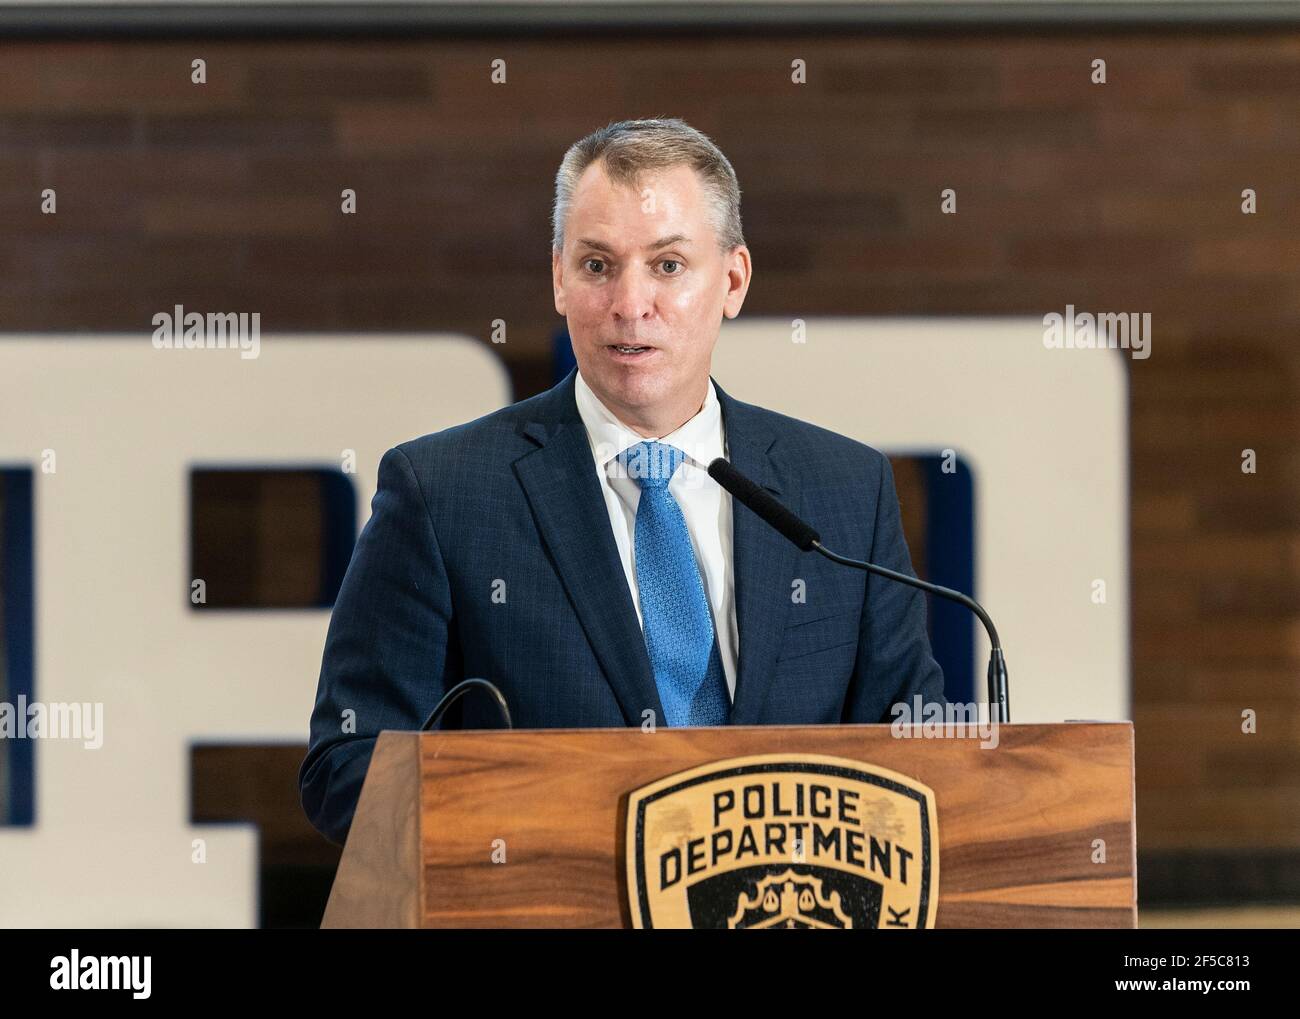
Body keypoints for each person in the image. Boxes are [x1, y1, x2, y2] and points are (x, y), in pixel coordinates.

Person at [299, 117, 946, 847]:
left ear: (732, 280)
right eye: (598, 265)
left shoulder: (844, 491)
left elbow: (918, 758)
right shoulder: (443, 494)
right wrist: (542, 833)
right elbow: (348, 769)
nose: (630, 304)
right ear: (558, 277)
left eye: (668, 265)